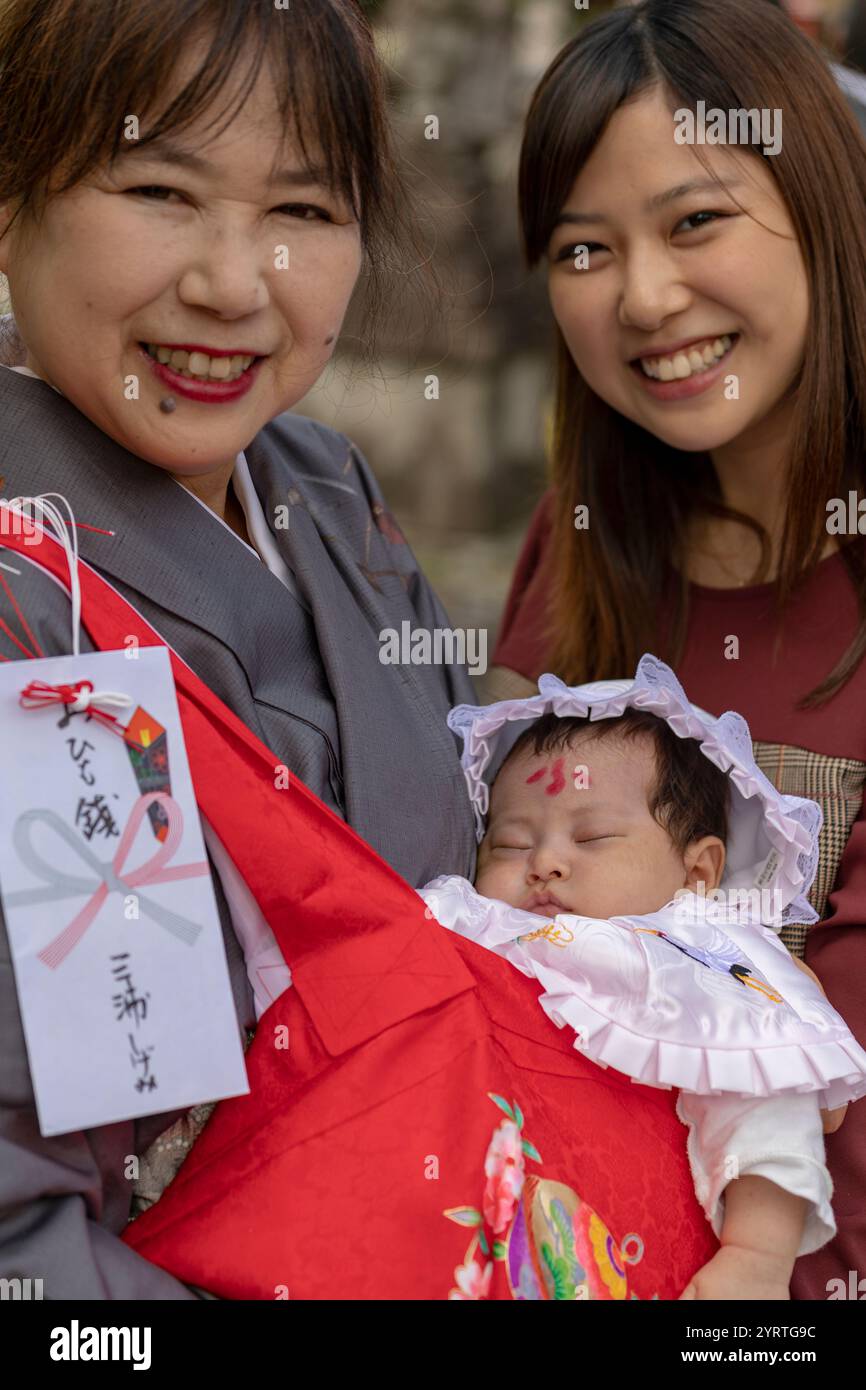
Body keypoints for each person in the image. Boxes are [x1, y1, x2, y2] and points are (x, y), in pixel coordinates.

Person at [0, 0, 479, 1300]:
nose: (230, 281)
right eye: (161, 187)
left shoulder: (324, 489)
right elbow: (25, 1239)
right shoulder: (25, 604)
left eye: (303, 212)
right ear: (11, 196)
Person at [486, 0, 866, 1299]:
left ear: (820, 206)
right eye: (585, 247)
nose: (644, 296)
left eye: (694, 219)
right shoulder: (577, 552)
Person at [420, 657, 866, 1298]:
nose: (544, 862)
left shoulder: (702, 954)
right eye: (511, 844)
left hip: (630, 1239)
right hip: (472, 1199)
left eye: (593, 837)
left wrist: (755, 1256)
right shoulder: (478, 917)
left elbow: (774, 1109)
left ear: (699, 871)